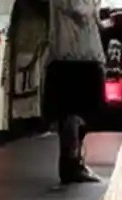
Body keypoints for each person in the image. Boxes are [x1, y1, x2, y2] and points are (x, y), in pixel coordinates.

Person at [45, 0, 106, 183]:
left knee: (80, 114)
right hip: (72, 59)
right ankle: (70, 164)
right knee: (71, 112)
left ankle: (75, 161)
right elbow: (81, 11)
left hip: (83, 57)